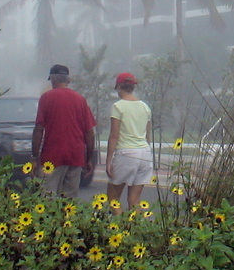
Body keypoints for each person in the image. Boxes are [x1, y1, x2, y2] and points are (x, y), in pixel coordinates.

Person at [32, 64, 96, 198]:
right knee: (69, 200)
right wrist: (89, 158)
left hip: (51, 156)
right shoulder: (80, 100)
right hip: (75, 156)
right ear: (68, 80)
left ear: (53, 79)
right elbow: (89, 132)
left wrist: (35, 157)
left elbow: (39, 130)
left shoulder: (46, 98)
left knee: (46, 197)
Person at [106, 72, 153, 211]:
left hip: (126, 153)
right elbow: (148, 135)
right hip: (144, 153)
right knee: (134, 199)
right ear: (133, 87)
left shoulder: (118, 106)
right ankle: (135, 224)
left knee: (113, 198)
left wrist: (109, 161)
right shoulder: (145, 106)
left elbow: (114, 136)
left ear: (118, 86)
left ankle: (119, 224)